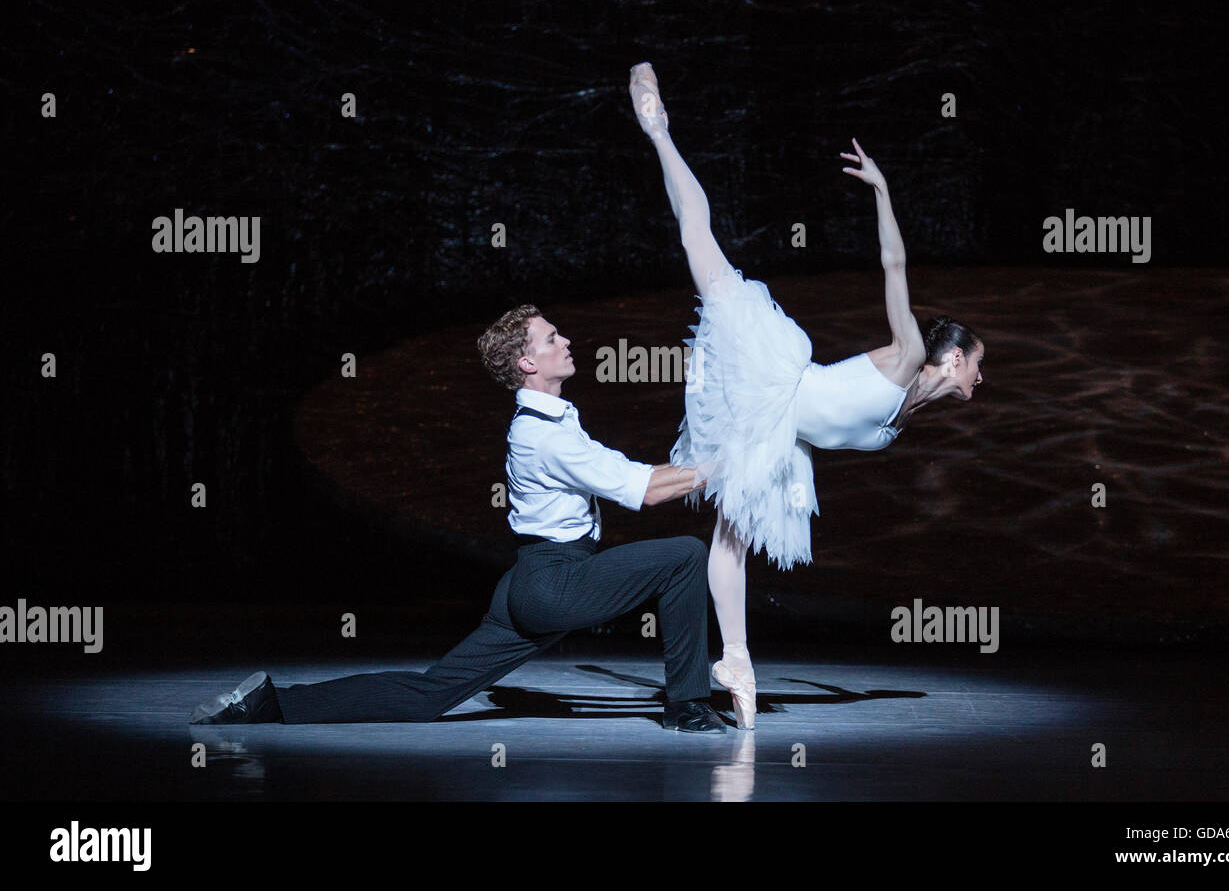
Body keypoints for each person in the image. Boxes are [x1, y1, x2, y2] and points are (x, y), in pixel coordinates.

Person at [628, 62, 985, 729]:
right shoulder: (909, 354)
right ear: (955, 357)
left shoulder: (911, 413)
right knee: (698, 243)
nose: (979, 381)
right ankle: (659, 132)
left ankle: (735, 659)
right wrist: (881, 190)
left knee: (729, 537)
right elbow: (894, 265)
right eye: (977, 368)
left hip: (781, 433)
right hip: (774, 373)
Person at [190, 305, 728, 733]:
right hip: (554, 582)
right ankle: (687, 706)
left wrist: (708, 466)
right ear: (528, 364)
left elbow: (636, 476)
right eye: (551, 339)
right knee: (683, 555)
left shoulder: (548, 424)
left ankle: (268, 703)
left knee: (431, 695)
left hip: (531, 582)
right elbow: (646, 488)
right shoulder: (545, 436)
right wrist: (728, 464)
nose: (565, 342)